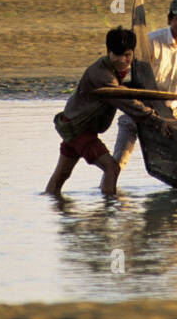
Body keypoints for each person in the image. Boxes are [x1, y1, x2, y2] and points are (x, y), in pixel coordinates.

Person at [45, 27, 164, 195]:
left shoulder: (115, 71)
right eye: (117, 55)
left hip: (72, 124)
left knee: (61, 176)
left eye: (127, 55)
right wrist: (154, 118)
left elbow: (121, 90)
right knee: (112, 168)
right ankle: (109, 211)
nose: (123, 60)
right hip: (79, 130)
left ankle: (54, 205)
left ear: (132, 53)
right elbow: (124, 101)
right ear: (108, 52)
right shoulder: (101, 74)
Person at [112, 0, 177, 167]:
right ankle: (109, 188)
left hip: (169, 112)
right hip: (142, 108)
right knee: (119, 160)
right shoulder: (151, 42)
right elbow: (137, 73)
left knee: (176, 163)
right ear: (170, 19)